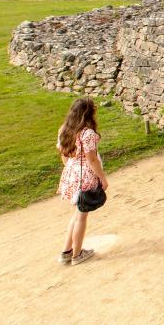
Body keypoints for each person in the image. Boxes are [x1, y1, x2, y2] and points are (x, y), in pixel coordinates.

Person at [56, 97, 108, 265]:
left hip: (71, 173)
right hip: (84, 176)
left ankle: (66, 251)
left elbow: (64, 155)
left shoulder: (65, 129)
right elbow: (92, 160)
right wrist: (102, 178)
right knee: (81, 216)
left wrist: (71, 171)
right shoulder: (87, 134)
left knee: (78, 213)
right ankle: (77, 254)